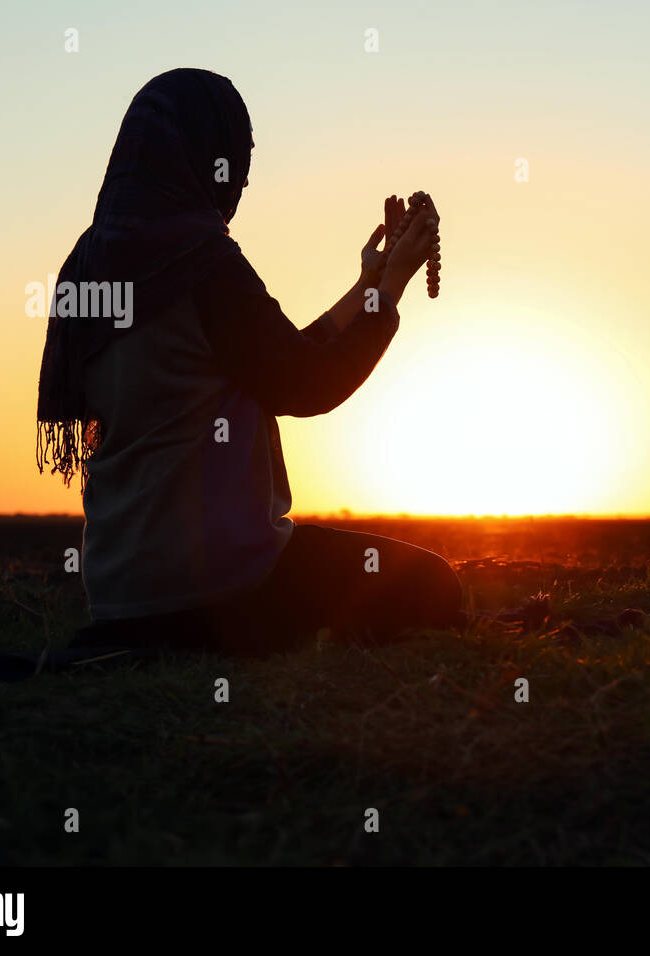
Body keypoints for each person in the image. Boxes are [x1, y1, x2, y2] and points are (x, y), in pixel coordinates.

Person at [36, 68, 461, 656]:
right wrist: (389, 292)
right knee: (434, 585)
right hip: (224, 588)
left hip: (119, 597)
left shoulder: (85, 268)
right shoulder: (201, 261)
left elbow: (273, 358)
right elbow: (307, 383)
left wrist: (367, 284)